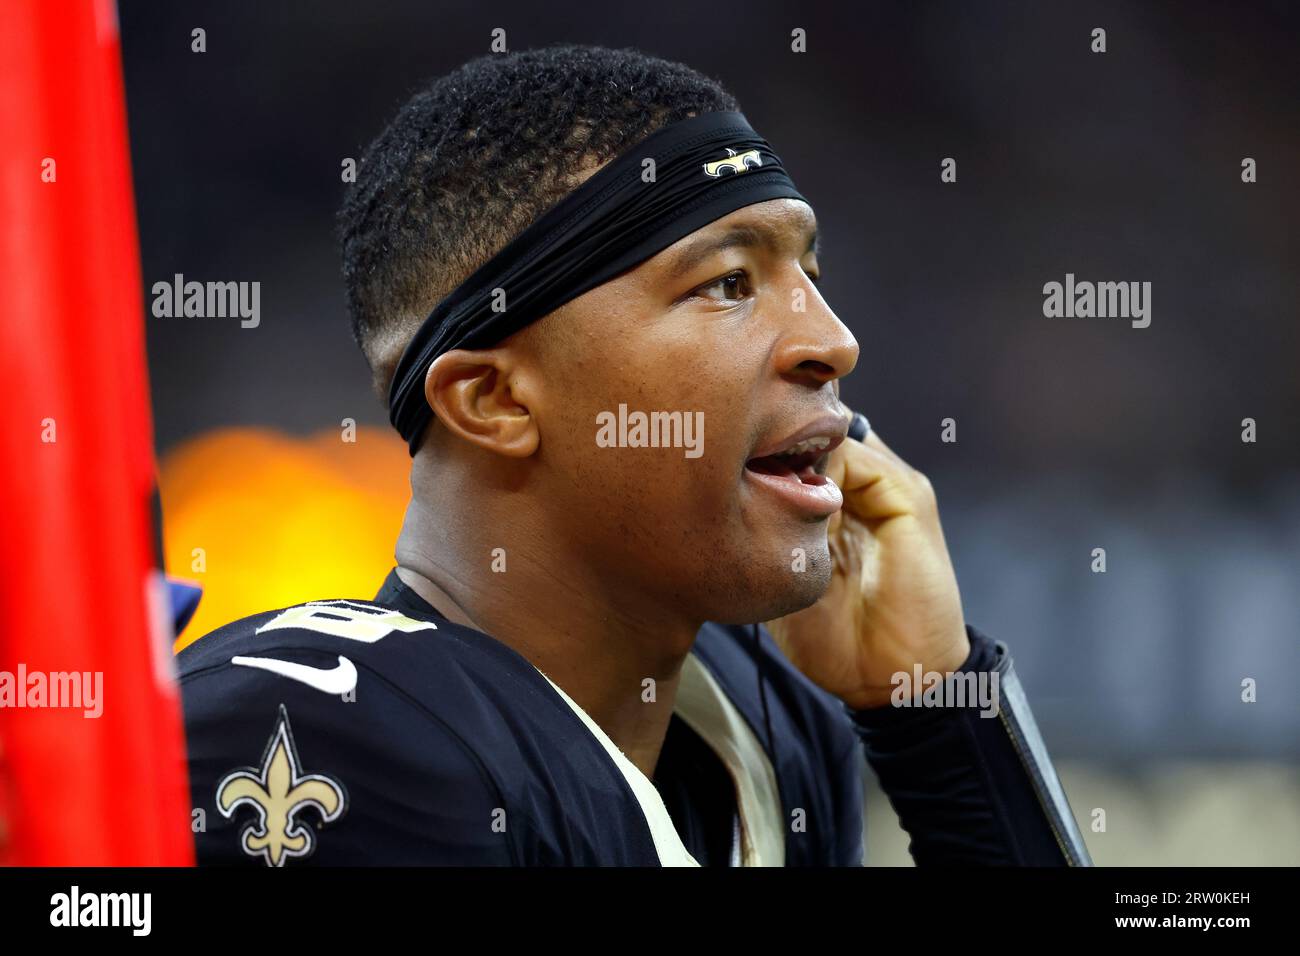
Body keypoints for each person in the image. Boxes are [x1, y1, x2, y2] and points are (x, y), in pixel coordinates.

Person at [178, 44, 1090, 866]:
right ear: (495, 401)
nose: (833, 340)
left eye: (809, 275)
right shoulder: (338, 732)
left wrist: (934, 719)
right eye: (729, 283)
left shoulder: (768, 727)